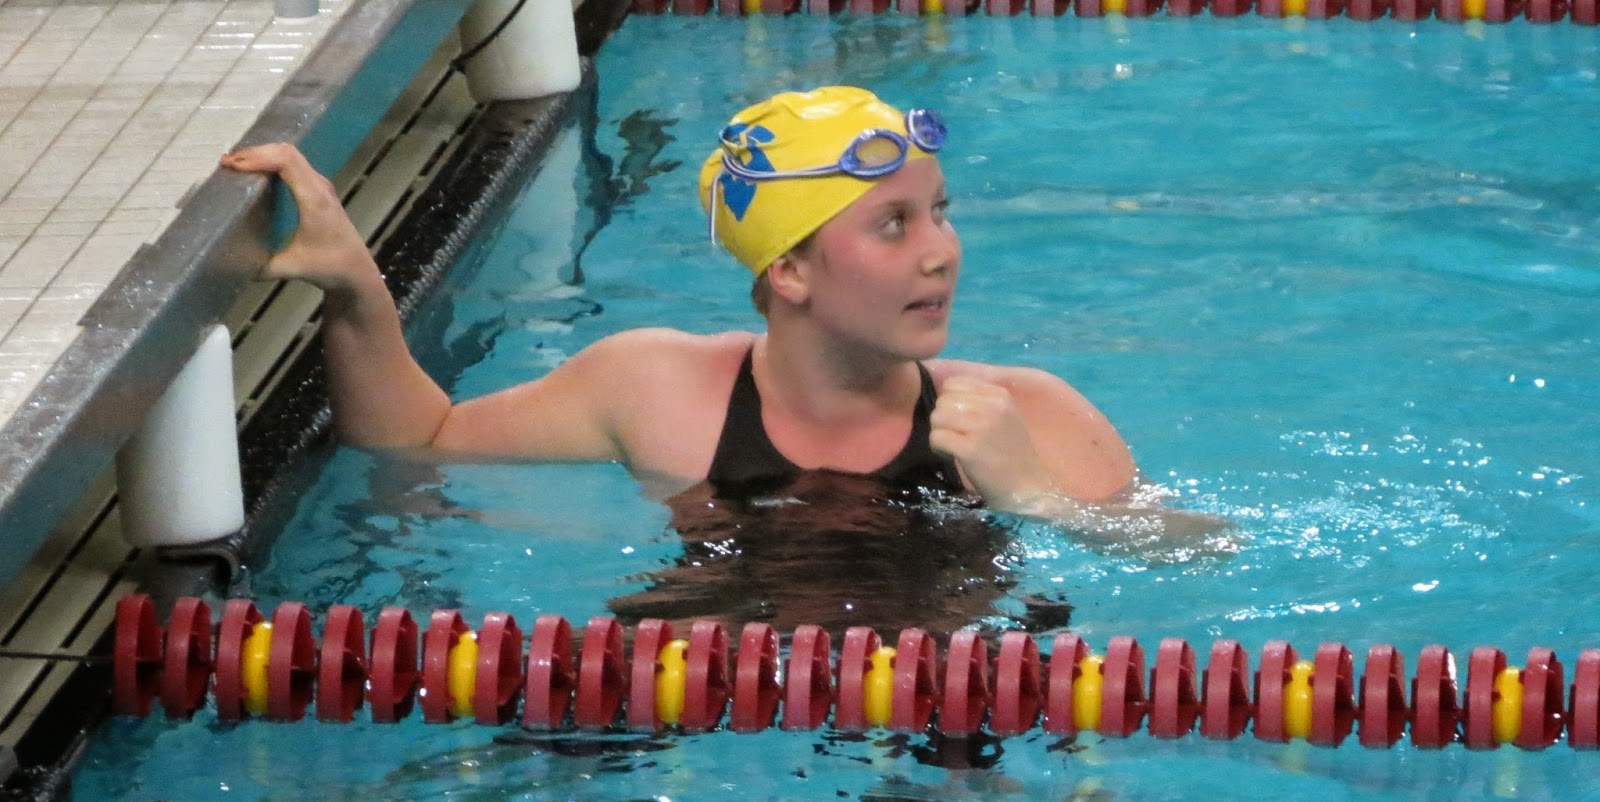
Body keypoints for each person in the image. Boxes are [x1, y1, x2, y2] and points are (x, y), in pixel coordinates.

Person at [223, 86, 1225, 623]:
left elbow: (1205, 548)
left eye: (940, 214)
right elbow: (420, 438)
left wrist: (1035, 495)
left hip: (955, 685)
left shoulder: (1024, 411)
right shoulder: (653, 387)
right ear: (787, 271)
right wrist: (355, 289)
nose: (940, 251)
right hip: (715, 662)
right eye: (892, 226)